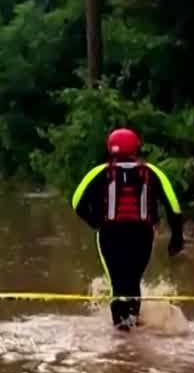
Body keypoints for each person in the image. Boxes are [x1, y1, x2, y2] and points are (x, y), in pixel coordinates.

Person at [71, 128, 185, 330]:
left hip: (110, 234)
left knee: (117, 283)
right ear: (136, 148)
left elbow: (77, 202)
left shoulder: (99, 172)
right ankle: (132, 329)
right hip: (142, 235)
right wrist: (177, 237)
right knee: (133, 281)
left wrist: (95, 222)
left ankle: (121, 333)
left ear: (110, 148)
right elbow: (174, 207)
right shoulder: (153, 172)